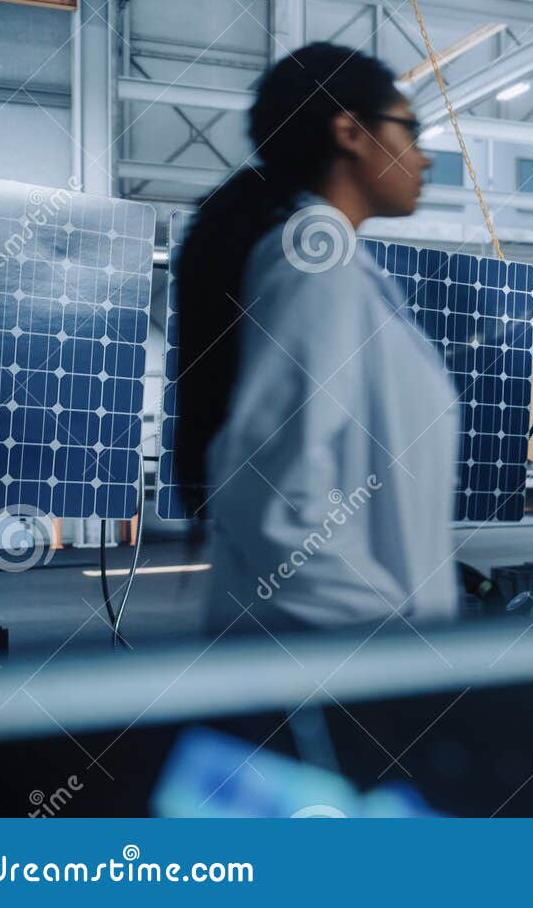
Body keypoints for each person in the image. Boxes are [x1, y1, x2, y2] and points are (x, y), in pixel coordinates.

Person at [177, 42, 461, 631]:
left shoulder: (328, 259)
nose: (424, 159)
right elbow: (275, 498)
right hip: (328, 667)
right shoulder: (313, 260)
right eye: (410, 130)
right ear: (350, 132)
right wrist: (385, 628)